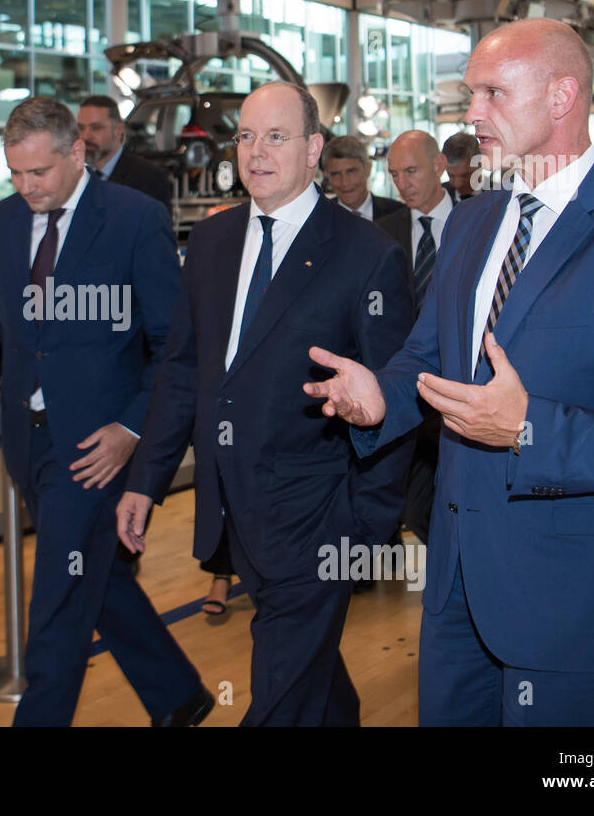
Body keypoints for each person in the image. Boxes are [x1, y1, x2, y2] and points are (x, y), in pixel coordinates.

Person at [304, 18, 594, 726]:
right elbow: (429, 359)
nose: (471, 115)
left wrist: (531, 430)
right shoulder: (473, 223)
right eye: (471, 93)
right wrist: (381, 394)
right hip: (457, 586)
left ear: (562, 96)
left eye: (493, 92)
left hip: (571, 595)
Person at [115, 80, 414, 726]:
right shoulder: (213, 243)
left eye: (275, 136)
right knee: (310, 675)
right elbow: (183, 371)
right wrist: (147, 479)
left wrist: (367, 528)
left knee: (279, 693)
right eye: (246, 136)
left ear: (312, 149)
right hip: (231, 508)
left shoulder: (368, 256)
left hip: (318, 516)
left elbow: (395, 398)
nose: (256, 151)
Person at [0, 96, 211, 727]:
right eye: (15, 174)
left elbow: (173, 346)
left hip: (94, 450)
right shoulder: (0, 224)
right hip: (26, 444)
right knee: (97, 579)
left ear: (78, 153)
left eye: (39, 173)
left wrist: (132, 427)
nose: (27, 187)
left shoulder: (134, 220)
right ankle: (178, 694)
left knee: (56, 600)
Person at [377, 130, 456, 545]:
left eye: (411, 171)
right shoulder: (382, 231)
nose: (402, 184)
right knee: (415, 505)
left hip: (464, 387)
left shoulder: (477, 221)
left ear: (439, 166)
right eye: (393, 174)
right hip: (407, 390)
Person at [76, 95, 173, 211]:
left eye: (96, 128)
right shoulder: (75, 177)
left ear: (119, 131)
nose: (85, 136)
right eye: (81, 128)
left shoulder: (150, 179)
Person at [321, 133, 405, 223]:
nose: (344, 182)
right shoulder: (319, 217)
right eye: (336, 174)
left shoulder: (399, 214)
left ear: (368, 169)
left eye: (351, 171)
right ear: (327, 175)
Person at [440, 132, 481, 200]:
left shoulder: (500, 195)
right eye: (451, 176)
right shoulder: (436, 197)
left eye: (464, 176)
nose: (457, 184)